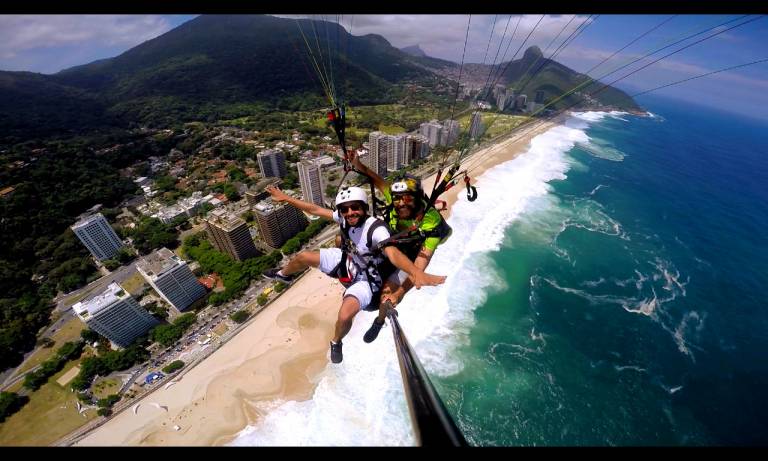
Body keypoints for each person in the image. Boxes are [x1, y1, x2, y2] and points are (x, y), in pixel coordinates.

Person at [263, 185, 446, 364]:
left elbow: (392, 252)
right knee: (303, 257)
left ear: (364, 209)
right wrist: (286, 198)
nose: (350, 213)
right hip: (350, 260)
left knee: (344, 315)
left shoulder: (376, 229)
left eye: (355, 208)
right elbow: (315, 209)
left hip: (369, 277)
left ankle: (342, 338)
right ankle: (283, 275)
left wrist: (415, 273)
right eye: (344, 209)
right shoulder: (344, 219)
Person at [349, 151, 452, 343]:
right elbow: (375, 178)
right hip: (395, 243)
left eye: (407, 199)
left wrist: (399, 293)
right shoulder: (394, 199)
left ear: (417, 198)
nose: (400, 204)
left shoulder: (431, 224)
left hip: (413, 251)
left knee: (387, 294)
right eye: (397, 199)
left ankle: (379, 321)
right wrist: (358, 164)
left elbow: (419, 268)